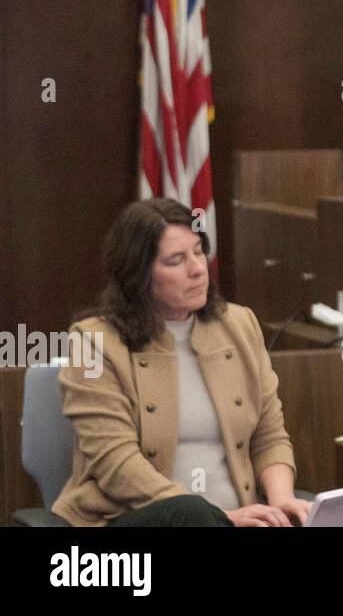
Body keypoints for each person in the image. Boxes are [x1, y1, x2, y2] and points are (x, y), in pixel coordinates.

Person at [53, 198, 309, 527]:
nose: (197, 268)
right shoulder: (94, 343)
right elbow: (116, 465)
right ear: (139, 274)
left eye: (199, 251)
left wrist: (282, 504)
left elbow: (269, 436)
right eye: (176, 260)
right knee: (191, 513)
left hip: (240, 517)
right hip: (136, 520)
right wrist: (222, 519)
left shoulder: (240, 325)